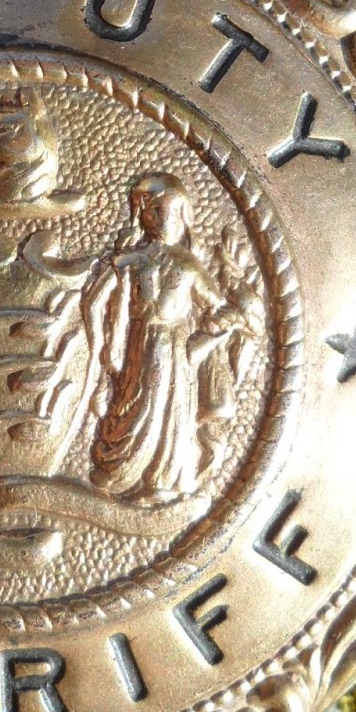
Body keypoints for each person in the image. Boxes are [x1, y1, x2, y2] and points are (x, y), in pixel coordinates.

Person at [88, 173, 250, 503]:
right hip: (139, 343)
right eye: (153, 212)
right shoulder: (129, 261)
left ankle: (162, 483)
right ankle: (121, 472)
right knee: (135, 406)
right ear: (142, 217)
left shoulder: (188, 264)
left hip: (173, 346)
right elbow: (94, 301)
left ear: (183, 216)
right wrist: (104, 346)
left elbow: (216, 305)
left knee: (170, 408)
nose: (163, 220)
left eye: (171, 212)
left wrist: (229, 320)